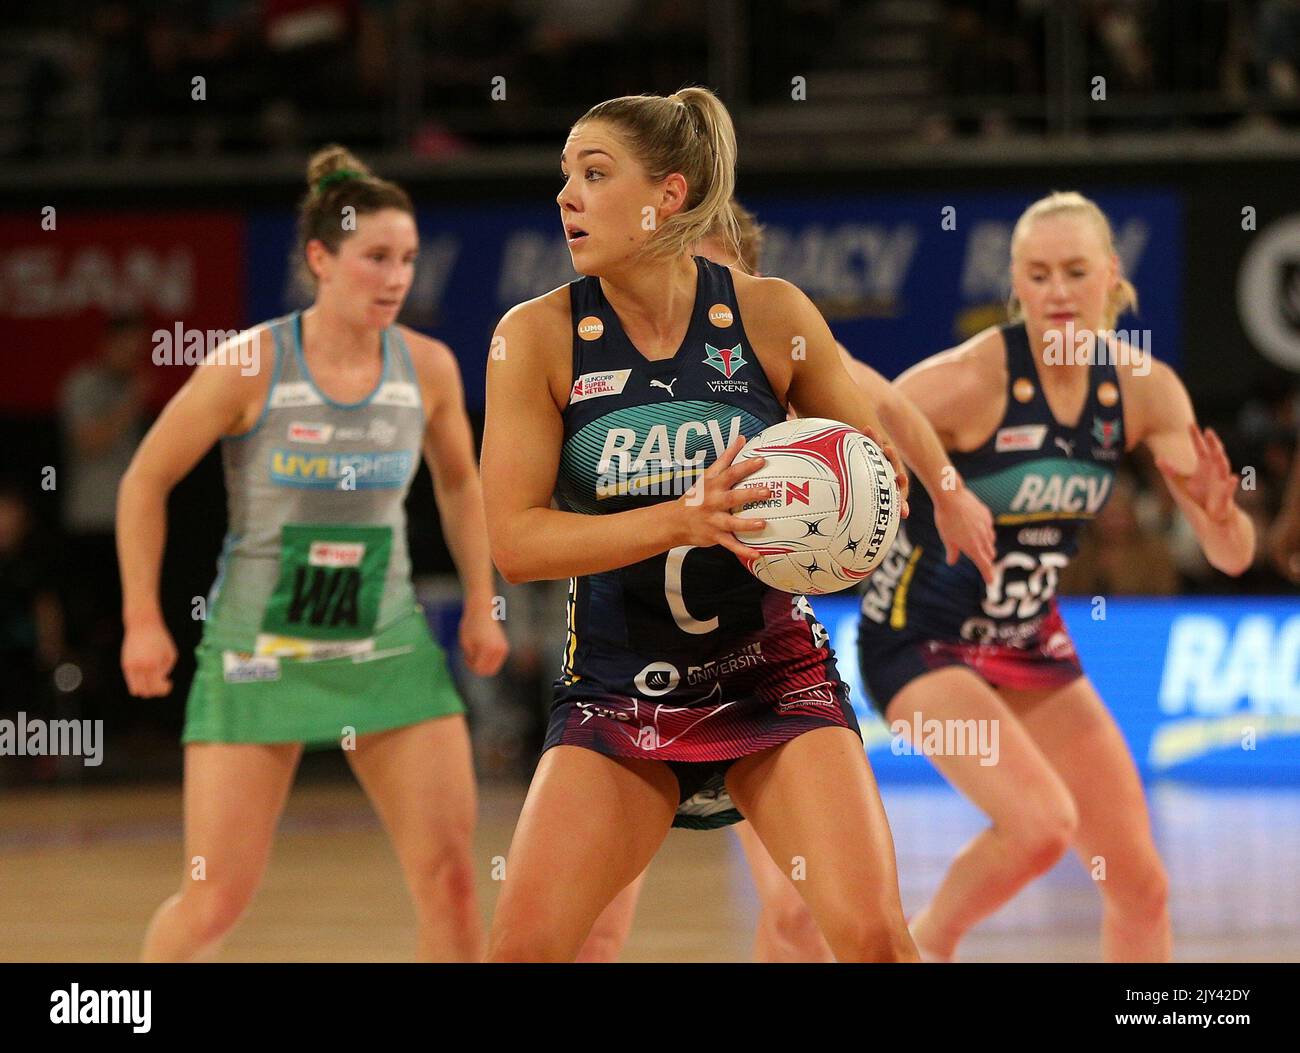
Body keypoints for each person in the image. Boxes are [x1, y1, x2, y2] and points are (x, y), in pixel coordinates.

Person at [481, 87, 921, 963]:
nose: (566, 194)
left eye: (594, 173)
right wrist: (685, 516)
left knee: (873, 940)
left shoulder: (773, 314)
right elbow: (516, 544)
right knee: (524, 952)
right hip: (617, 689)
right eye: (565, 174)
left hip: (773, 680)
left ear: (668, 195)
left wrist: (866, 502)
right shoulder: (535, 337)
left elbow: (872, 471)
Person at [578, 199, 998, 962]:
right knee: (595, 932)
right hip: (625, 676)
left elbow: (891, 405)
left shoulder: (780, 346)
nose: (691, 288)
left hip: (757, 674)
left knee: (804, 913)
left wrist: (940, 488)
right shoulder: (602, 360)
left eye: (709, 271)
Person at [117, 144, 507, 962]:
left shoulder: (429, 367)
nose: (396, 276)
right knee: (214, 899)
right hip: (260, 655)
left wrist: (480, 603)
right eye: (376, 258)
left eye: (406, 258)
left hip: (387, 648)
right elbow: (143, 482)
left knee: (453, 880)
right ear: (321, 260)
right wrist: (142, 620)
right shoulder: (248, 364)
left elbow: (461, 487)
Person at [852, 190, 1254, 962]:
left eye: (1075, 271)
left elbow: (1231, 556)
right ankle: (925, 947)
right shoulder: (972, 377)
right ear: (1016, 285)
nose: (1058, 291)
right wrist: (940, 485)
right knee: (1040, 826)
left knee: (1142, 885)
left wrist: (1218, 515)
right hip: (917, 637)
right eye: (1037, 274)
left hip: (1027, 637)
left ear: (1111, 278)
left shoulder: (1142, 388)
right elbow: (859, 402)